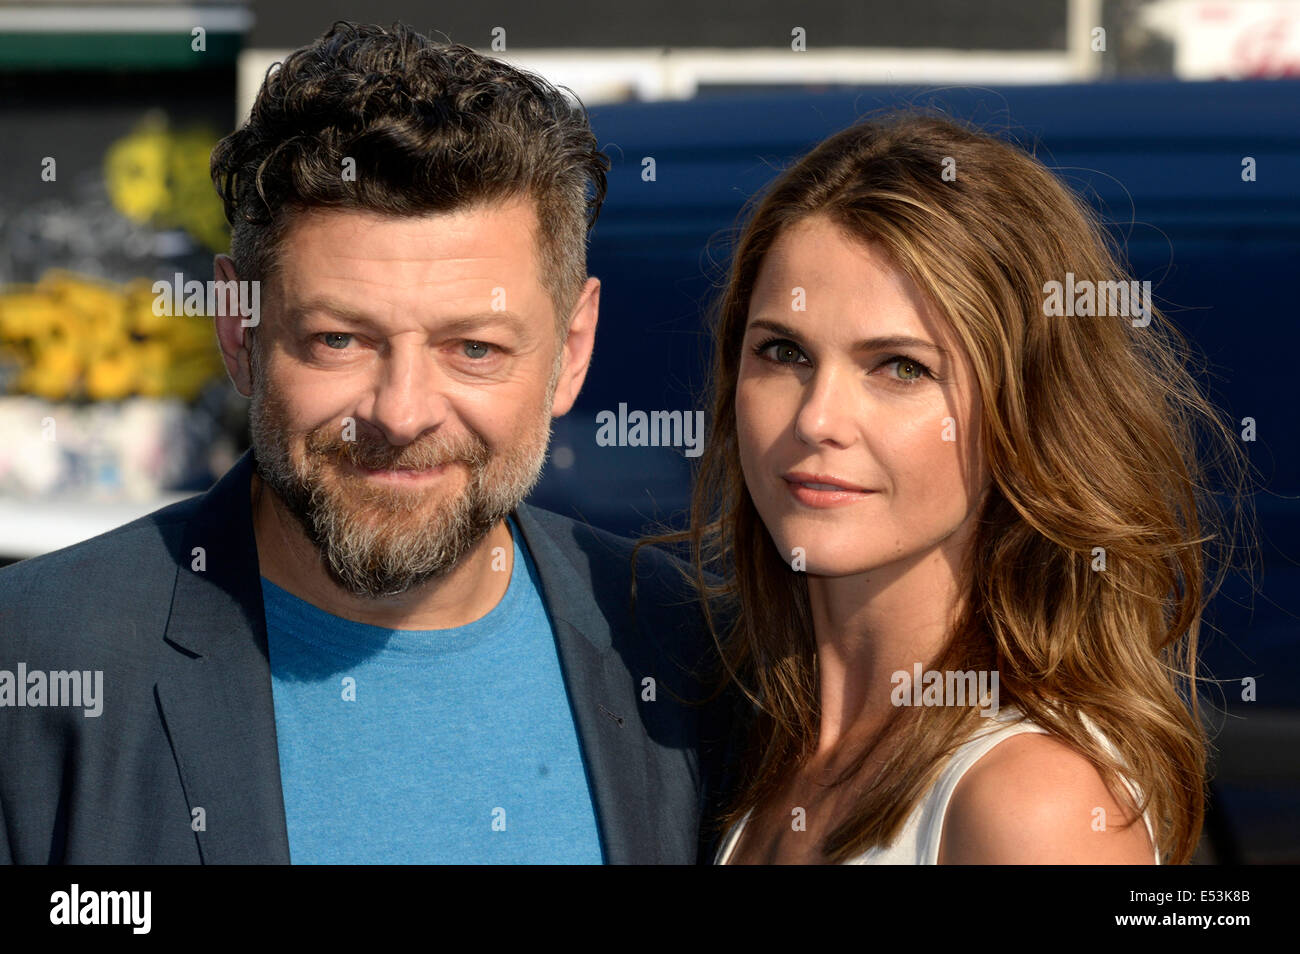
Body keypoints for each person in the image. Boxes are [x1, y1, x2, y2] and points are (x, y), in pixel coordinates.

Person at [0, 21, 735, 864]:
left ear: (571, 351)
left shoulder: (696, 658)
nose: (402, 412)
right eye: (340, 340)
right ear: (240, 329)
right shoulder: (37, 667)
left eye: (475, 349)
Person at [653, 112, 1251, 864]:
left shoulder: (1033, 801)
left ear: (1025, 412)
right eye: (784, 351)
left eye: (901, 367)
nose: (818, 418)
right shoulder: (750, 750)